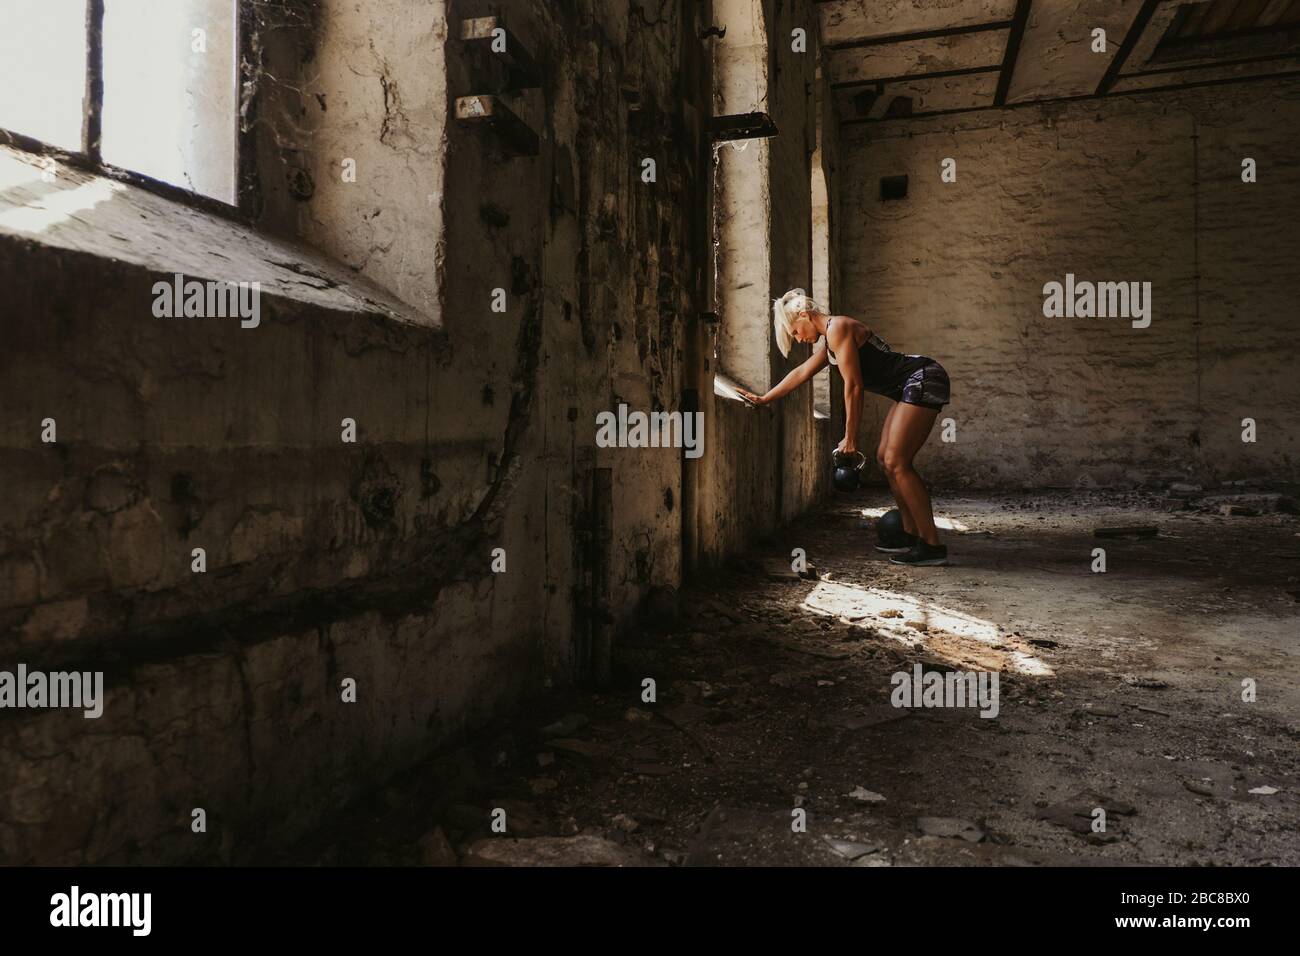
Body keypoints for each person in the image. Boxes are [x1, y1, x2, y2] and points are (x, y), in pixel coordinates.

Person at [737, 289, 951, 566]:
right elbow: (801, 372)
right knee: (885, 459)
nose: (799, 339)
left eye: (795, 332)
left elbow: (854, 386)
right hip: (909, 384)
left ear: (804, 315)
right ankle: (910, 534)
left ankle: (932, 545)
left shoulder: (837, 328)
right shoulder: (830, 341)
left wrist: (850, 438)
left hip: (923, 376)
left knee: (897, 461)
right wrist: (766, 398)